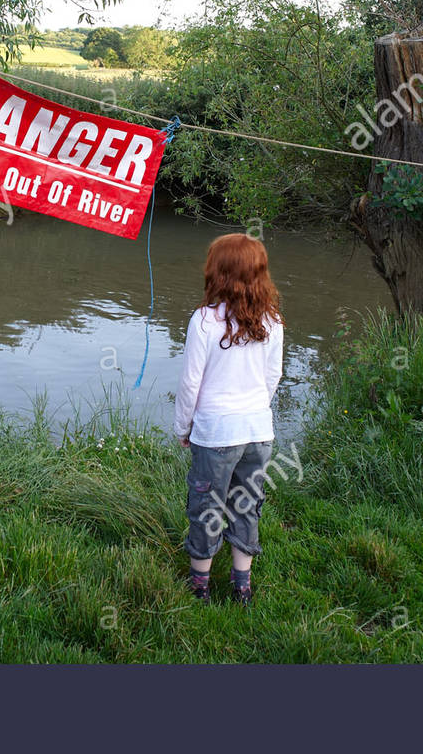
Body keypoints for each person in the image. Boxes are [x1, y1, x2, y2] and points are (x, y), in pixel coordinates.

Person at [174, 232, 283, 604]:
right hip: (258, 431)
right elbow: (273, 378)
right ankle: (241, 586)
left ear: (217, 272)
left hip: (217, 433)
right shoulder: (272, 320)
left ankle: (199, 586)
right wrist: (253, 409)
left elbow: (191, 383)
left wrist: (183, 427)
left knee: (207, 507)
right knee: (246, 503)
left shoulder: (205, 321)